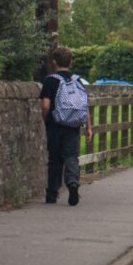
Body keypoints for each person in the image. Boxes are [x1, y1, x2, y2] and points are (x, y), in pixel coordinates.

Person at [39, 46, 93, 206]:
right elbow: (84, 105)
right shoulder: (77, 80)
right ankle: (72, 183)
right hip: (73, 126)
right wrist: (88, 127)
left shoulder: (50, 80)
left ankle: (52, 195)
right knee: (71, 156)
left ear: (54, 61)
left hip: (55, 125)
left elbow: (46, 106)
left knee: (55, 159)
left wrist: (44, 120)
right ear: (71, 62)